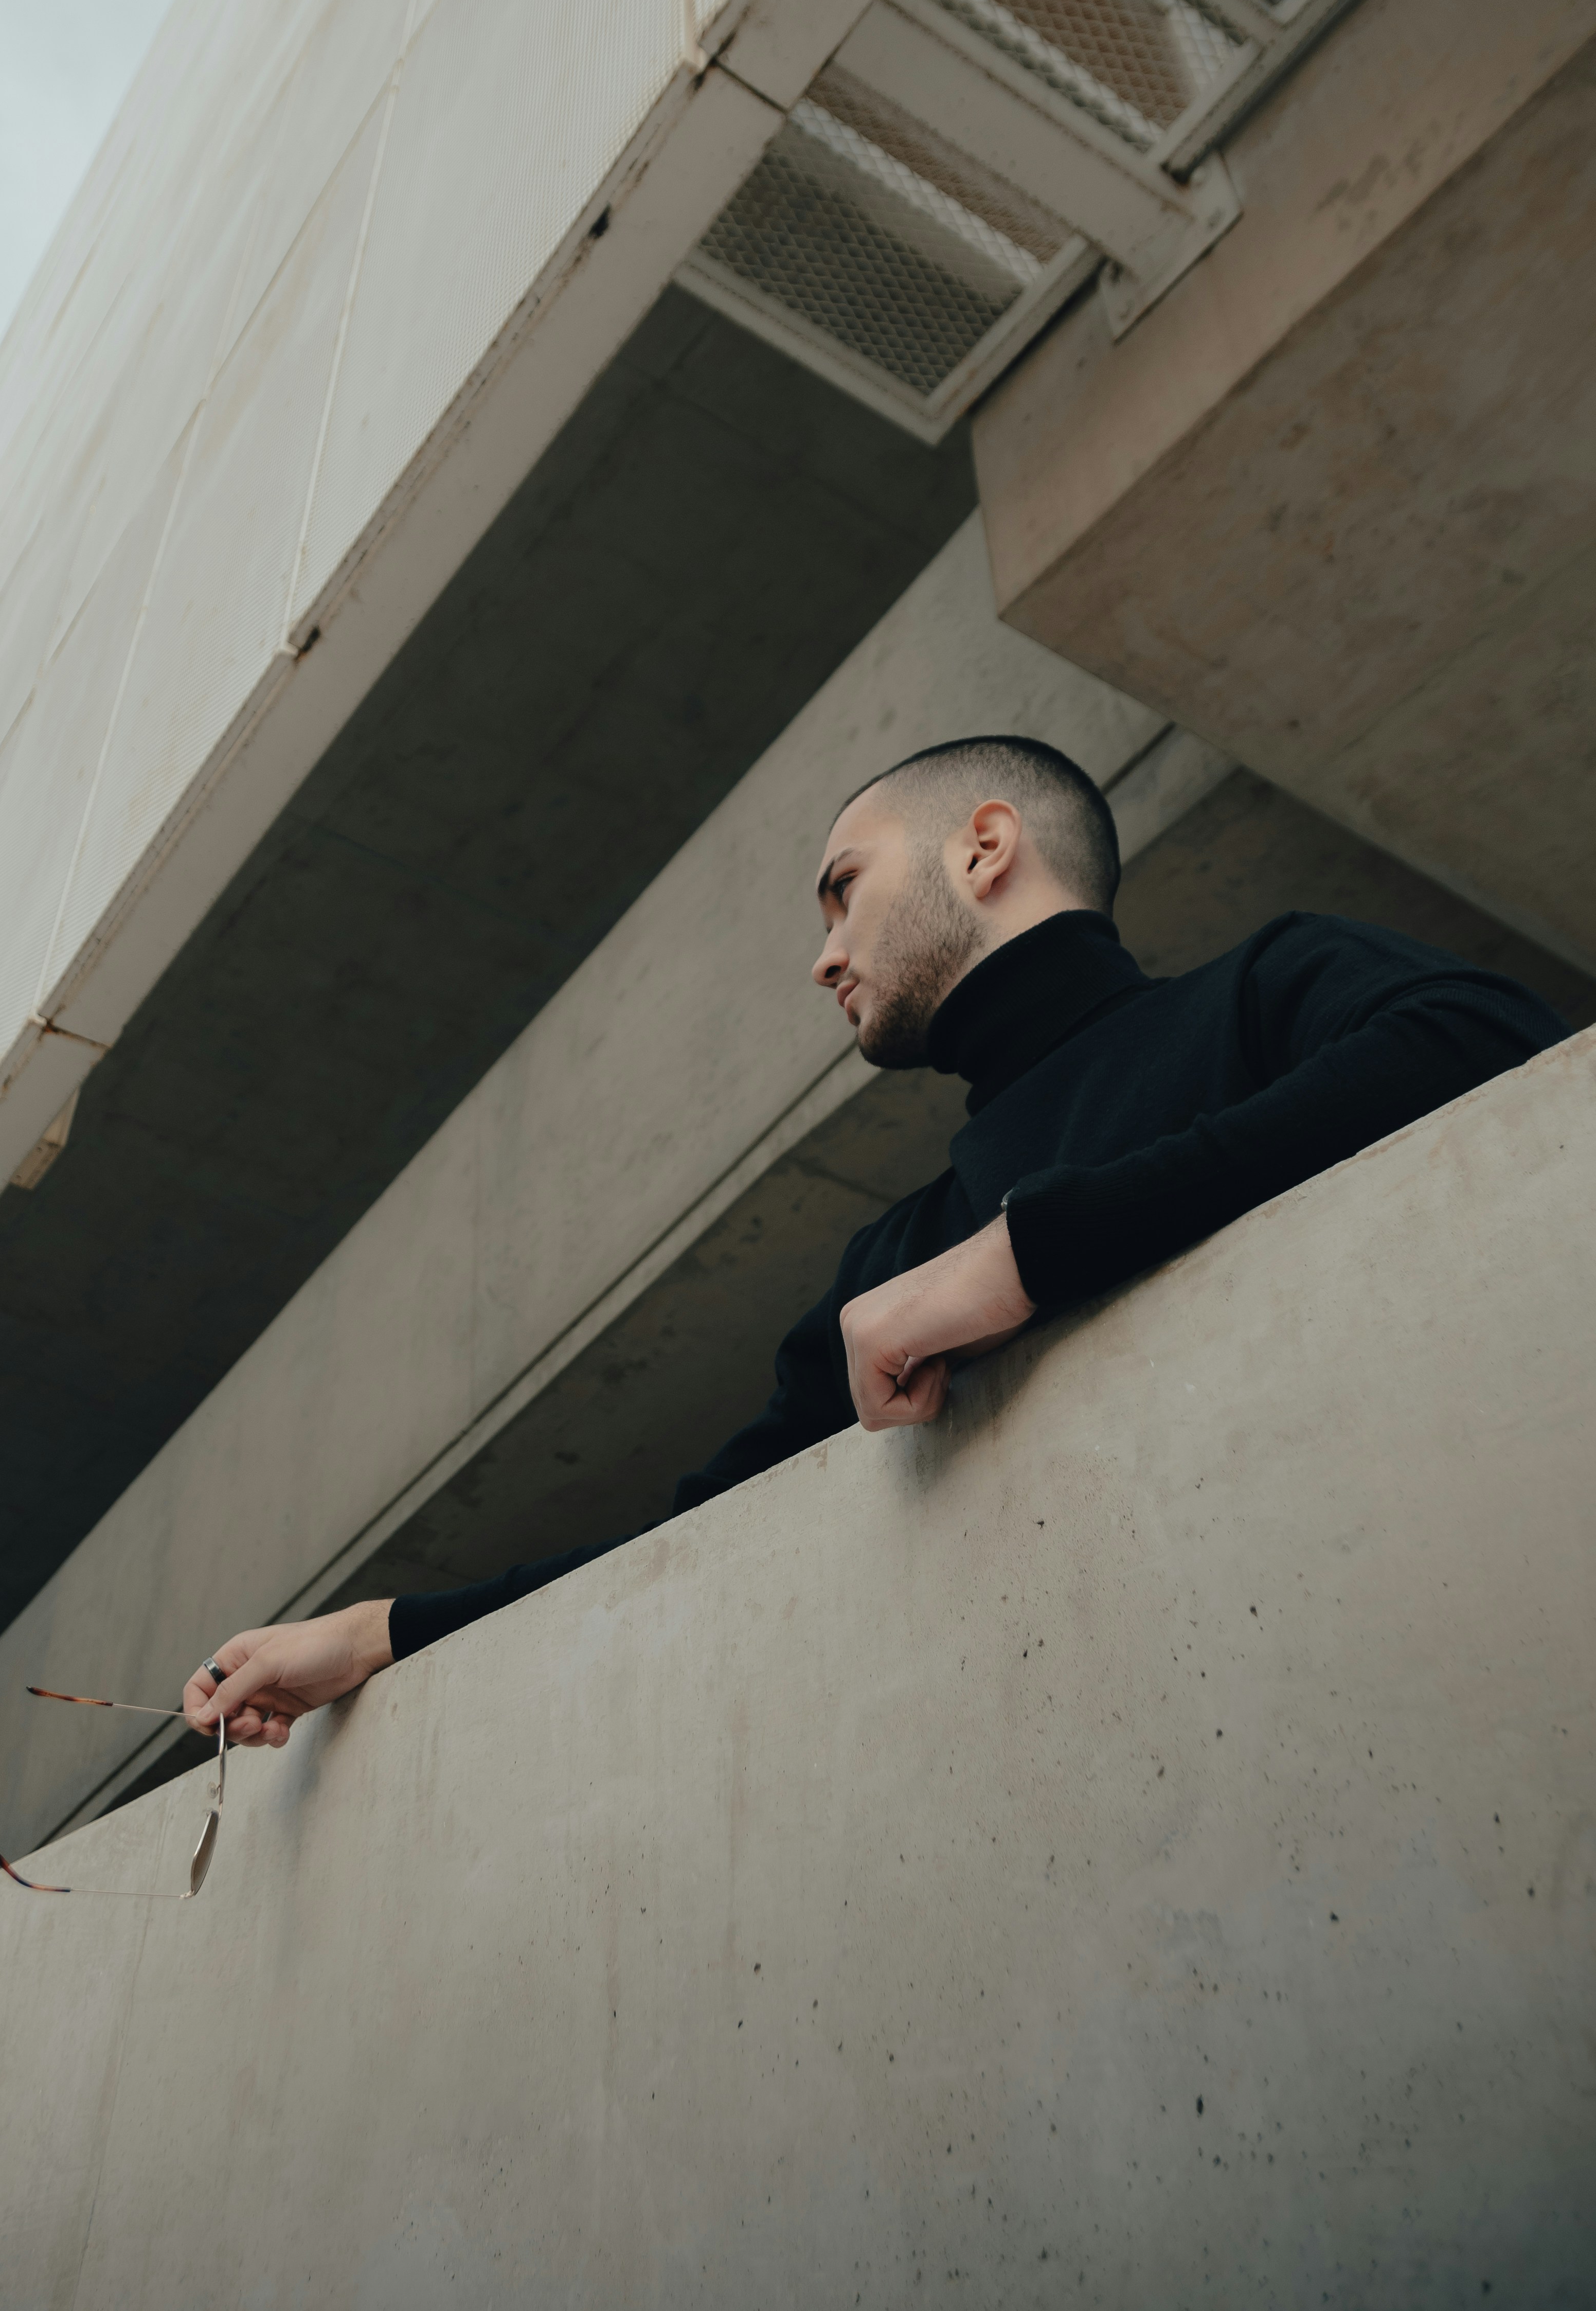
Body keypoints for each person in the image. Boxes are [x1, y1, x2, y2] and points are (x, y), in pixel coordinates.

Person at [182, 734, 1567, 1748]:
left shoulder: (1267, 988)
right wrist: (377, 1632)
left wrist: (1020, 1259)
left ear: (984, 847)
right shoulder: (882, 1265)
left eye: (843, 888)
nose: (824, 955)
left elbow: (1489, 1045)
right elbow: (688, 1551)